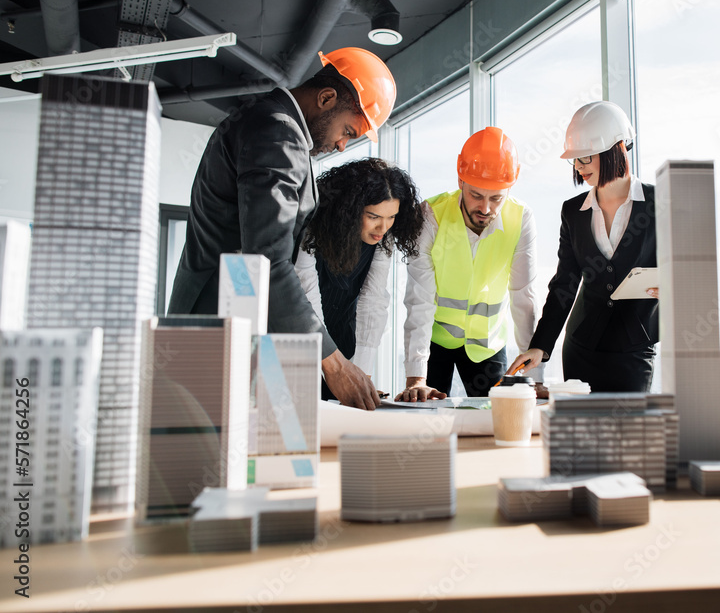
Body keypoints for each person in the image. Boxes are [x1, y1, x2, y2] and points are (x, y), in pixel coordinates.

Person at [168, 47, 396, 410]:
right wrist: (334, 364)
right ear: (326, 98)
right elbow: (267, 259)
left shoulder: (270, 124)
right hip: (218, 326)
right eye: (348, 131)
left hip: (235, 324)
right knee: (210, 457)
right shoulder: (277, 133)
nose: (341, 144)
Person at [506, 101, 659, 394]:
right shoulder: (573, 212)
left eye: (585, 158)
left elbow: (683, 268)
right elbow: (565, 284)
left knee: (628, 436)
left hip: (634, 350)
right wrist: (540, 346)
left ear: (614, 149)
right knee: (581, 437)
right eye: (575, 160)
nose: (578, 167)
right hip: (581, 349)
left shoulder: (658, 203)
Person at [398, 127, 541, 400]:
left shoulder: (521, 220)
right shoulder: (430, 216)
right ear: (461, 181)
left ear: (509, 188)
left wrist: (534, 377)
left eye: (496, 197)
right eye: (477, 195)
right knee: (426, 415)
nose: (486, 208)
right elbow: (420, 299)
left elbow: (524, 296)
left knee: (498, 418)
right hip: (434, 341)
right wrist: (416, 377)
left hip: (487, 344)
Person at [294, 157, 423, 401]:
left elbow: (372, 301)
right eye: (373, 216)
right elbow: (306, 292)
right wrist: (332, 367)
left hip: (344, 339)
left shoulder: (384, 239)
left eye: (392, 217)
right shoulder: (312, 228)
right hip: (300, 339)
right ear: (350, 210)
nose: (383, 227)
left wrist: (362, 374)